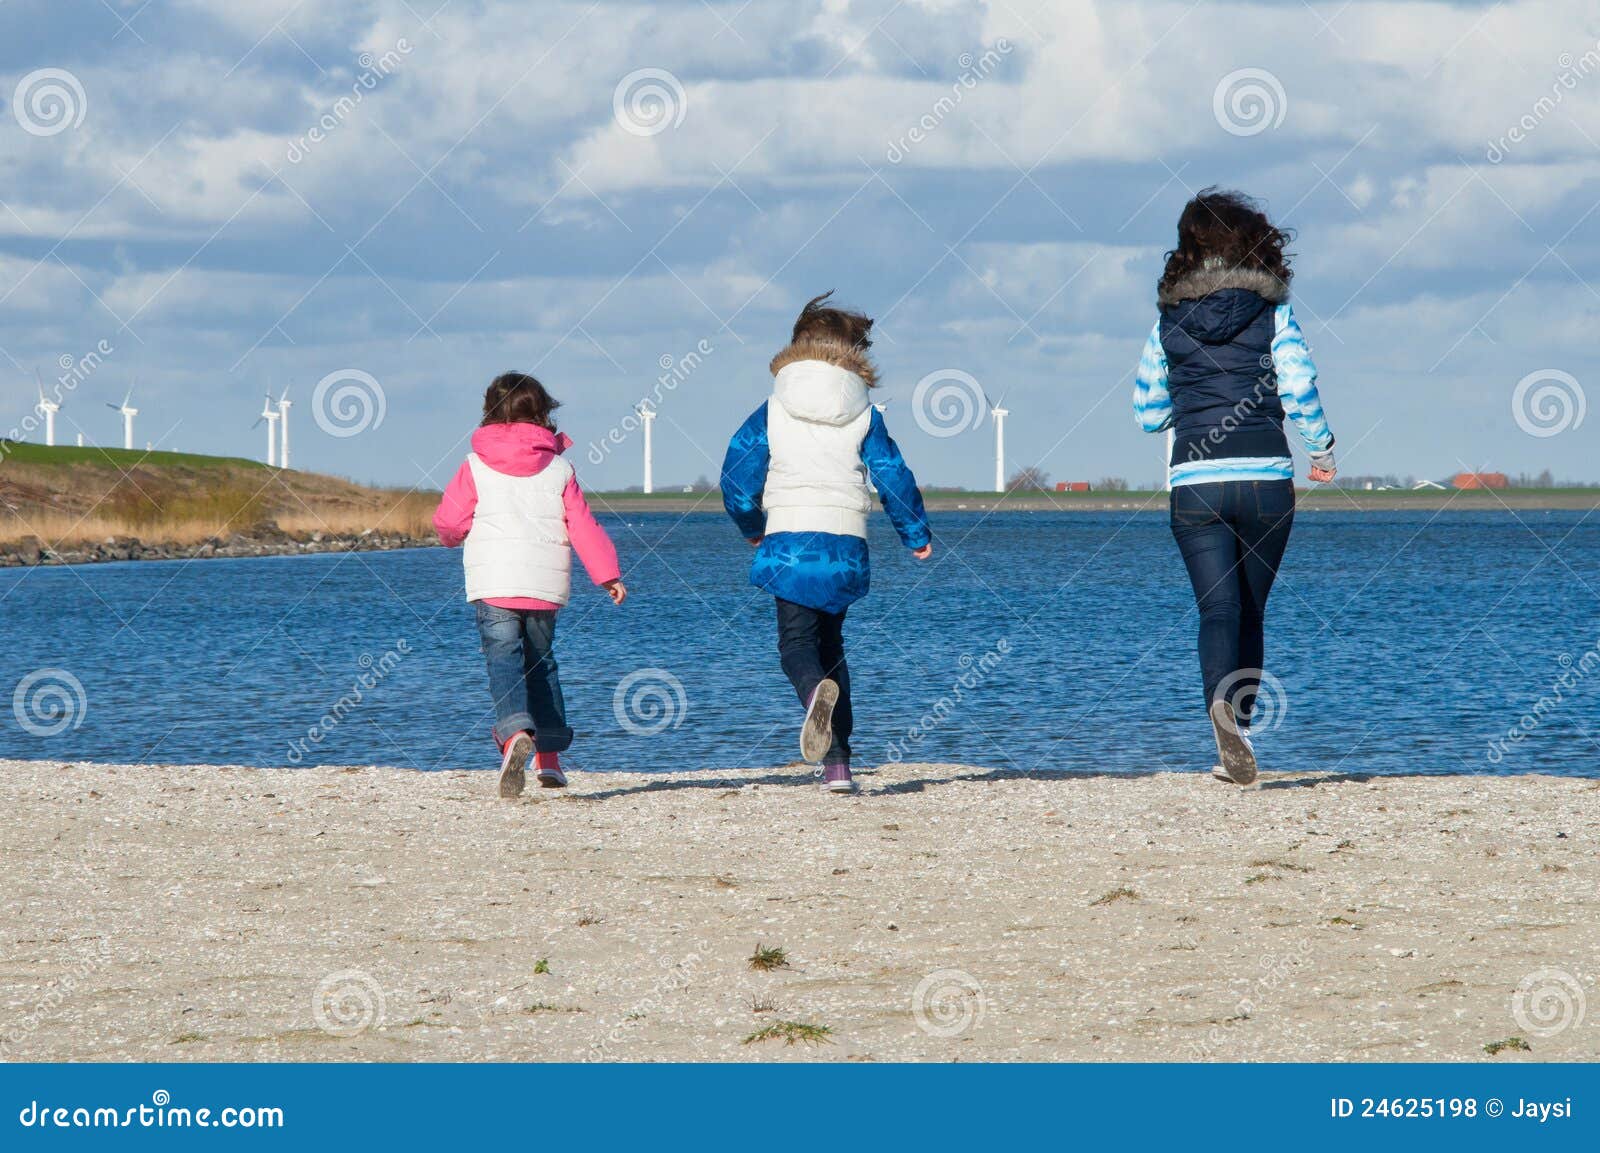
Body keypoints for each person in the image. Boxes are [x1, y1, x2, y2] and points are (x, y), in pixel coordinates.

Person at [1132, 189, 1337, 786]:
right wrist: (1321, 450)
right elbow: (1298, 389)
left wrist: (1194, 404)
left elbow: (1147, 413)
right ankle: (1242, 729)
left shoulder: (1166, 323)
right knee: (1252, 611)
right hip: (1267, 480)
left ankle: (1223, 724)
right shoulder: (1275, 313)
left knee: (1216, 609)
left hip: (1196, 486)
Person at [721, 292, 932, 794]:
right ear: (852, 353)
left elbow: (736, 476)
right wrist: (915, 534)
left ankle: (816, 698)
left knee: (796, 645)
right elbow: (893, 476)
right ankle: (839, 764)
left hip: (789, 540)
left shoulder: (772, 409)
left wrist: (751, 525)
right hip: (845, 544)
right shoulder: (864, 411)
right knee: (832, 644)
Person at [434, 373, 626, 798]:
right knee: (541, 664)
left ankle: (514, 734)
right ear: (543, 413)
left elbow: (449, 520)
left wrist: (452, 537)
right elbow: (583, 526)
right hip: (543, 586)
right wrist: (607, 573)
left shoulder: (474, 465)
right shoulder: (560, 468)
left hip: (494, 582)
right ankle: (551, 761)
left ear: (489, 411)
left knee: (503, 662)